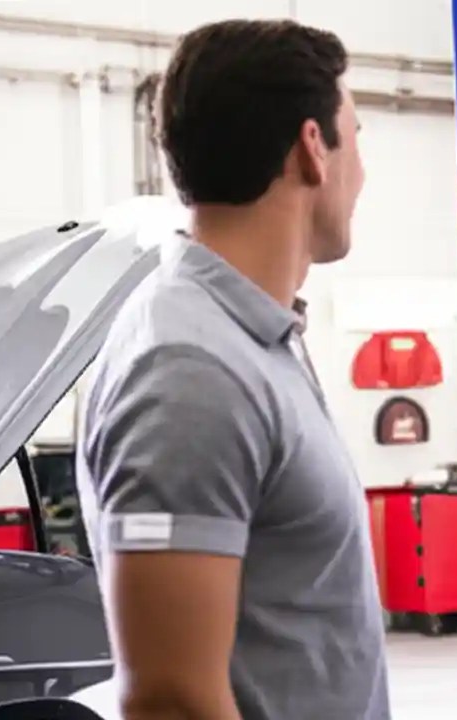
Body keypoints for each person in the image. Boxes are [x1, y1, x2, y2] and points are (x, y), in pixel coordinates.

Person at [75, 19, 389, 720]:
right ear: (314, 148)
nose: (362, 172)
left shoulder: (249, 339)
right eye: (358, 137)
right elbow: (171, 701)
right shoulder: (189, 370)